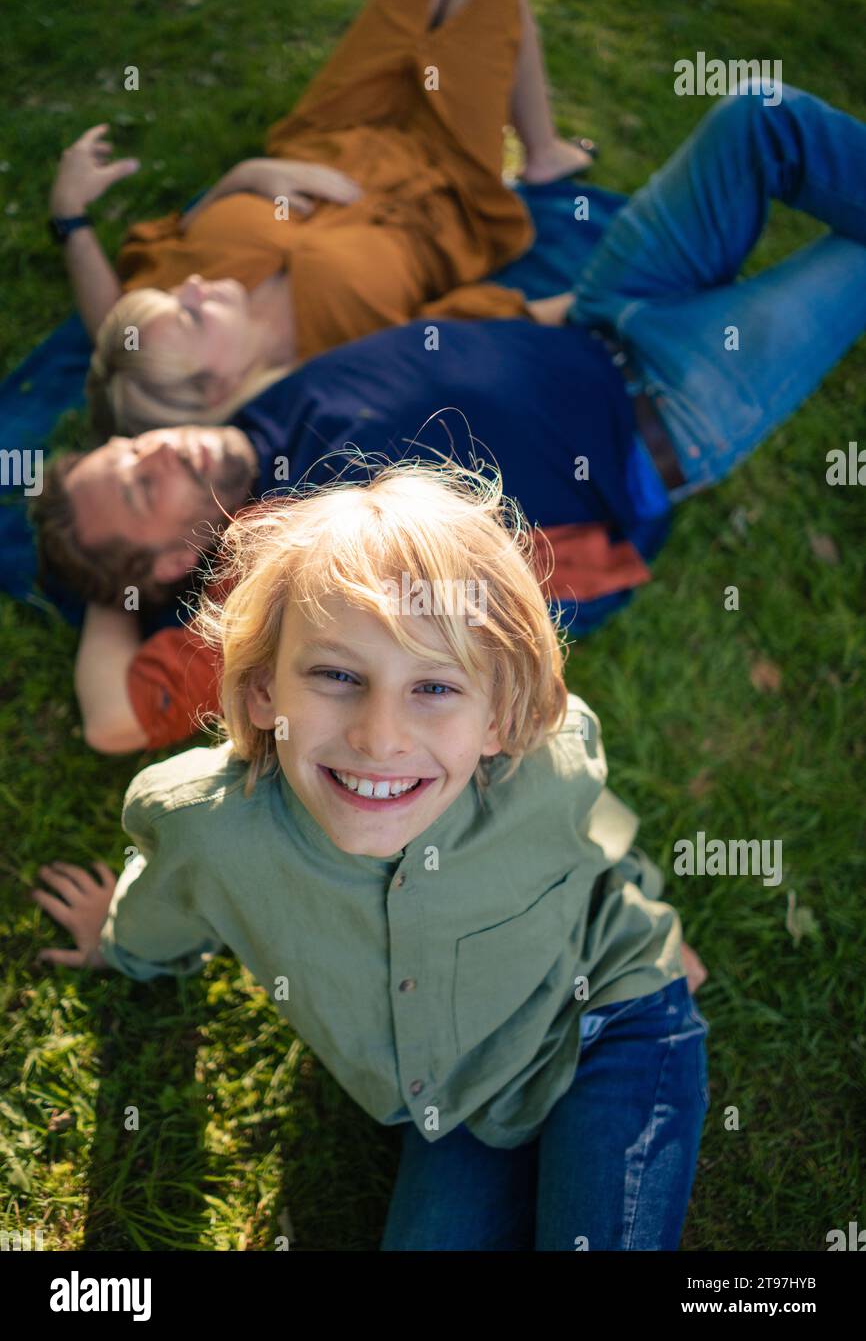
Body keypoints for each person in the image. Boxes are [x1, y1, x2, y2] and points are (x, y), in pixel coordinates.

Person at [31, 77, 866, 754]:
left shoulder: (243, 418)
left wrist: (91, 222)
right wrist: (116, 598)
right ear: (174, 559)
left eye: (133, 449)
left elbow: (140, 350)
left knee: (762, 118)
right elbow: (114, 722)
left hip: (599, 306)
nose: (160, 451)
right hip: (677, 406)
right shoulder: (286, 569)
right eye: (143, 489)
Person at [30, 463, 710, 1251]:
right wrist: (116, 946)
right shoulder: (208, 828)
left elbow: (586, 824)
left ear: (500, 718)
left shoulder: (545, 758)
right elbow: (164, 906)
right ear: (260, 692)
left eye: (435, 688)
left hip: (612, 1019)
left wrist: (645, 905)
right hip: (453, 1098)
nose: (380, 736)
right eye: (337, 675)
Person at [48, 0, 595, 435]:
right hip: (445, 175)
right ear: (220, 390)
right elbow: (458, 332)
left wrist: (72, 212)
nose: (189, 288)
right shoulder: (334, 366)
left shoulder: (155, 330)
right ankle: (544, 154)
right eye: (189, 316)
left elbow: (110, 333)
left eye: (171, 301)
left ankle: (540, 145)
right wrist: (592, 300)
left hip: (332, 129)